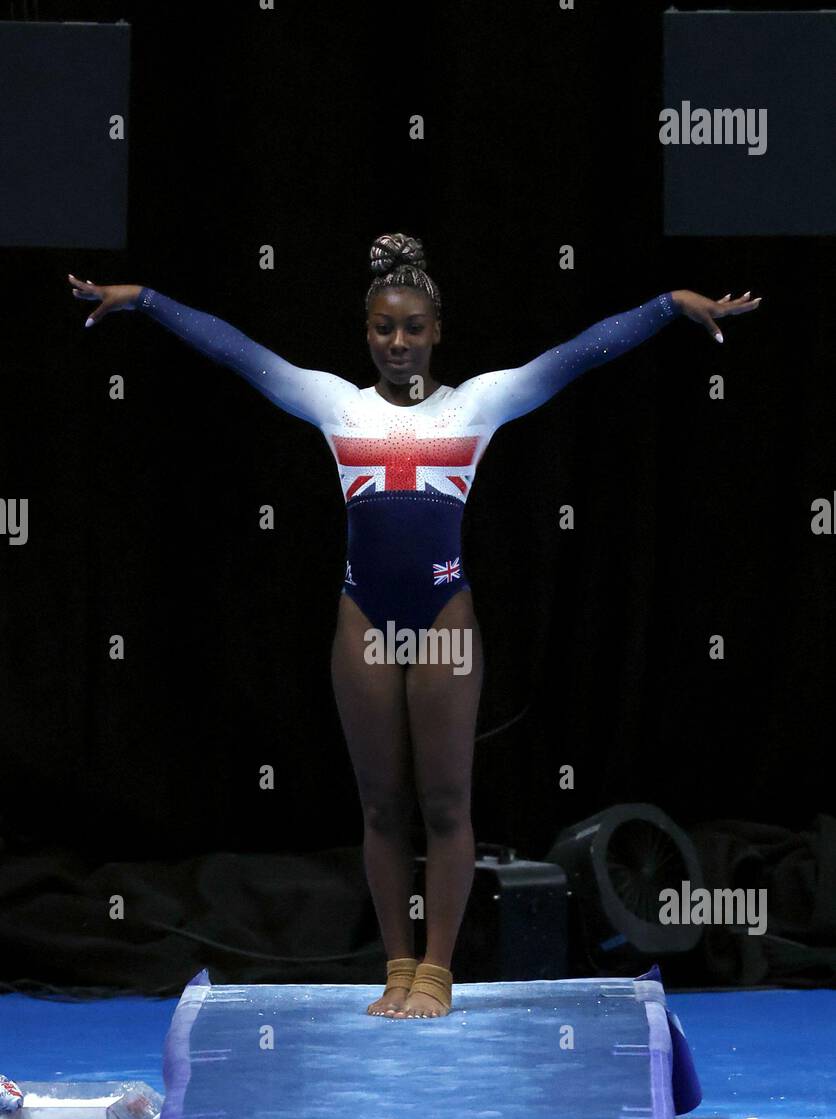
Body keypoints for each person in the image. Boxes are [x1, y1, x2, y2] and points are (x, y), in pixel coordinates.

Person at [68, 234, 760, 1019]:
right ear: (366, 333)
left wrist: (668, 307)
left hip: (443, 617)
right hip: (362, 613)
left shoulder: (475, 407)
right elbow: (241, 354)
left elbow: (575, 356)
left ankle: (437, 970)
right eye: (385, 329)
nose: (399, 343)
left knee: (445, 802)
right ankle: (397, 962)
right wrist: (147, 302)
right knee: (378, 804)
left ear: (438, 331)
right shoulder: (338, 405)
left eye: (414, 328)